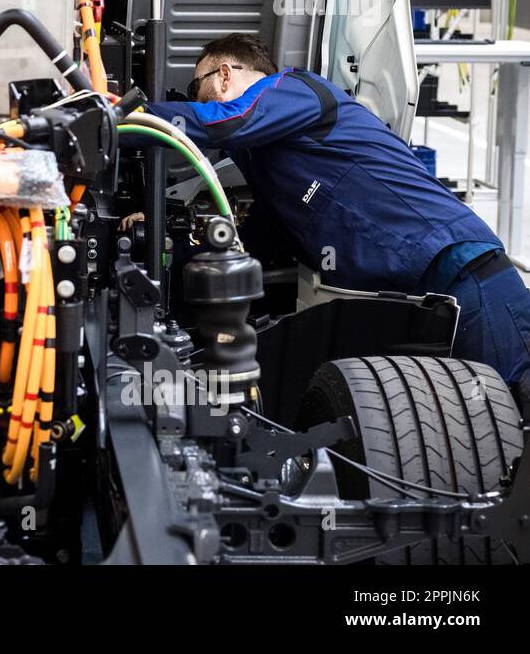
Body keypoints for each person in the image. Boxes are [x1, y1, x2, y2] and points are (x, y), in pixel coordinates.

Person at [137, 33, 530, 404]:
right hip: (426, 303)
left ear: (224, 75)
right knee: (469, 438)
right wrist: (165, 252)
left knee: (512, 409)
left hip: (469, 279)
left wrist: (120, 116)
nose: (197, 101)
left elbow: (223, 122)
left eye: (196, 91)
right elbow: (250, 248)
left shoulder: (295, 89)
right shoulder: (269, 166)